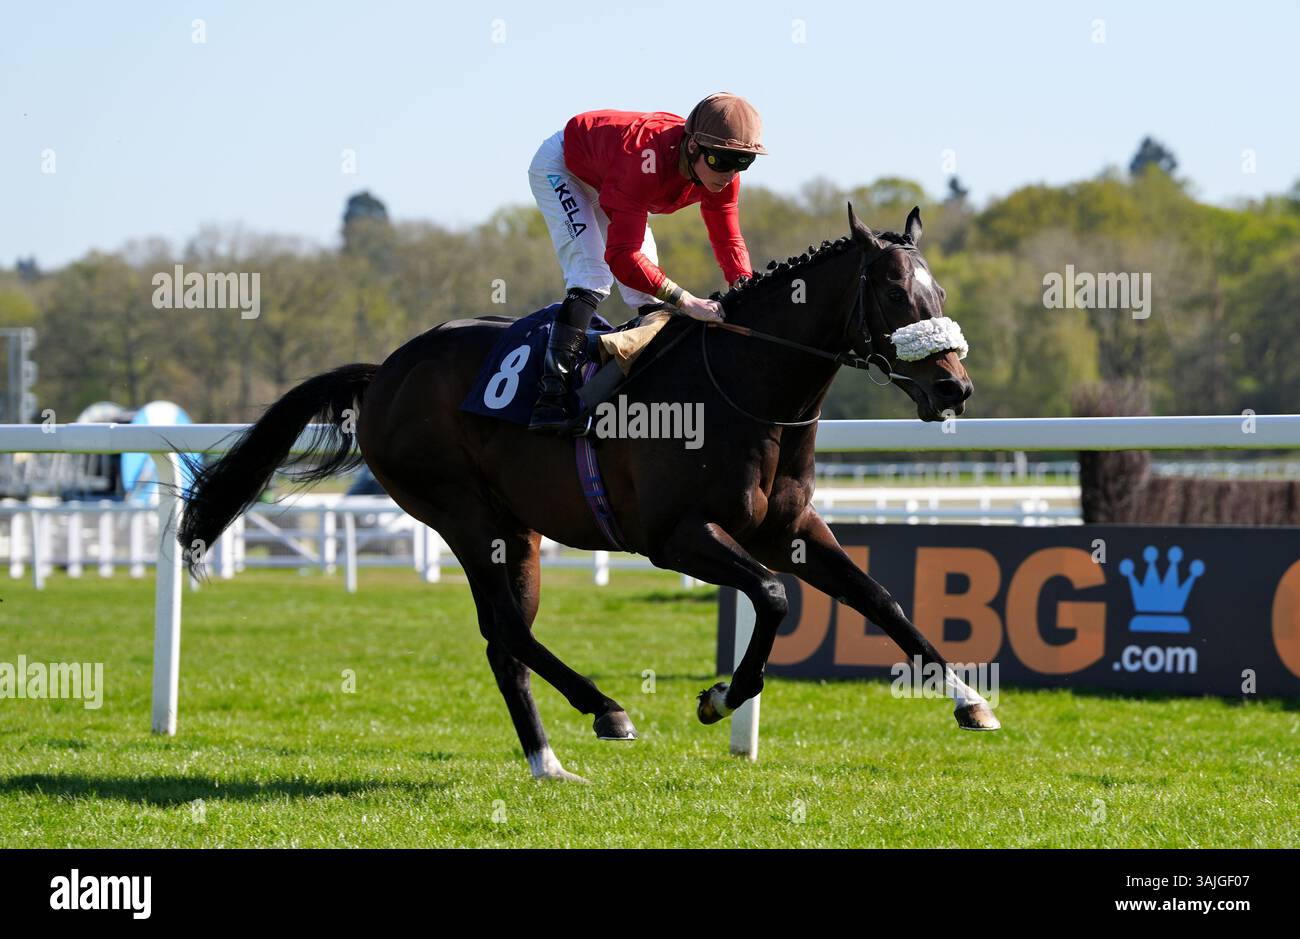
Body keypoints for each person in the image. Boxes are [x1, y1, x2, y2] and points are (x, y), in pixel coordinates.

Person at [525, 92, 766, 433]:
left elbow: (728, 238)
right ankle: (550, 400)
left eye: (742, 163)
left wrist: (744, 285)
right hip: (565, 168)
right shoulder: (643, 160)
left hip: (611, 175)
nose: (729, 174)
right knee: (593, 275)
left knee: (649, 301)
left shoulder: (721, 174)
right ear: (693, 146)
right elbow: (622, 258)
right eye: (720, 161)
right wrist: (686, 299)